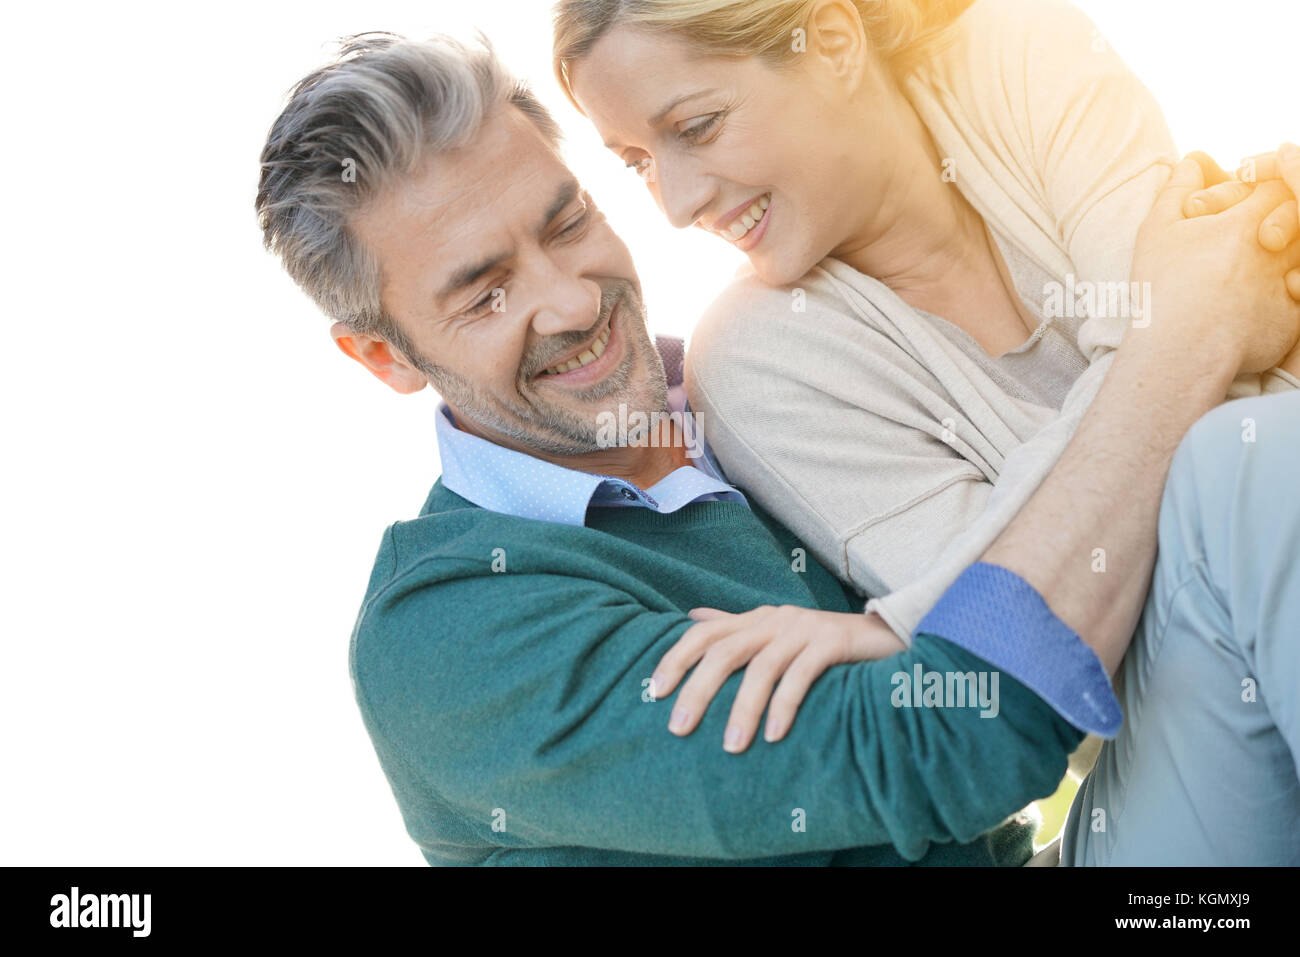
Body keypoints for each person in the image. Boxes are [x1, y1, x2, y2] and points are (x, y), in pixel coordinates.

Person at [255, 33, 1299, 865]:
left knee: (1256, 462)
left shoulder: (772, 394)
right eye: (485, 292)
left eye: (567, 221)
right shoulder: (449, 629)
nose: (570, 300)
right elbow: (942, 744)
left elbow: (1123, 560)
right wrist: (1182, 336)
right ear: (383, 359)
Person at [551, 0, 1300, 665]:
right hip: (1177, 717)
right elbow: (1023, 619)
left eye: (697, 126)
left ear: (836, 42)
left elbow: (1240, 367)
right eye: (638, 162)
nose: (677, 205)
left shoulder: (1016, 50)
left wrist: (1212, 321)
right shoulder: (755, 359)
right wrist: (1201, 325)